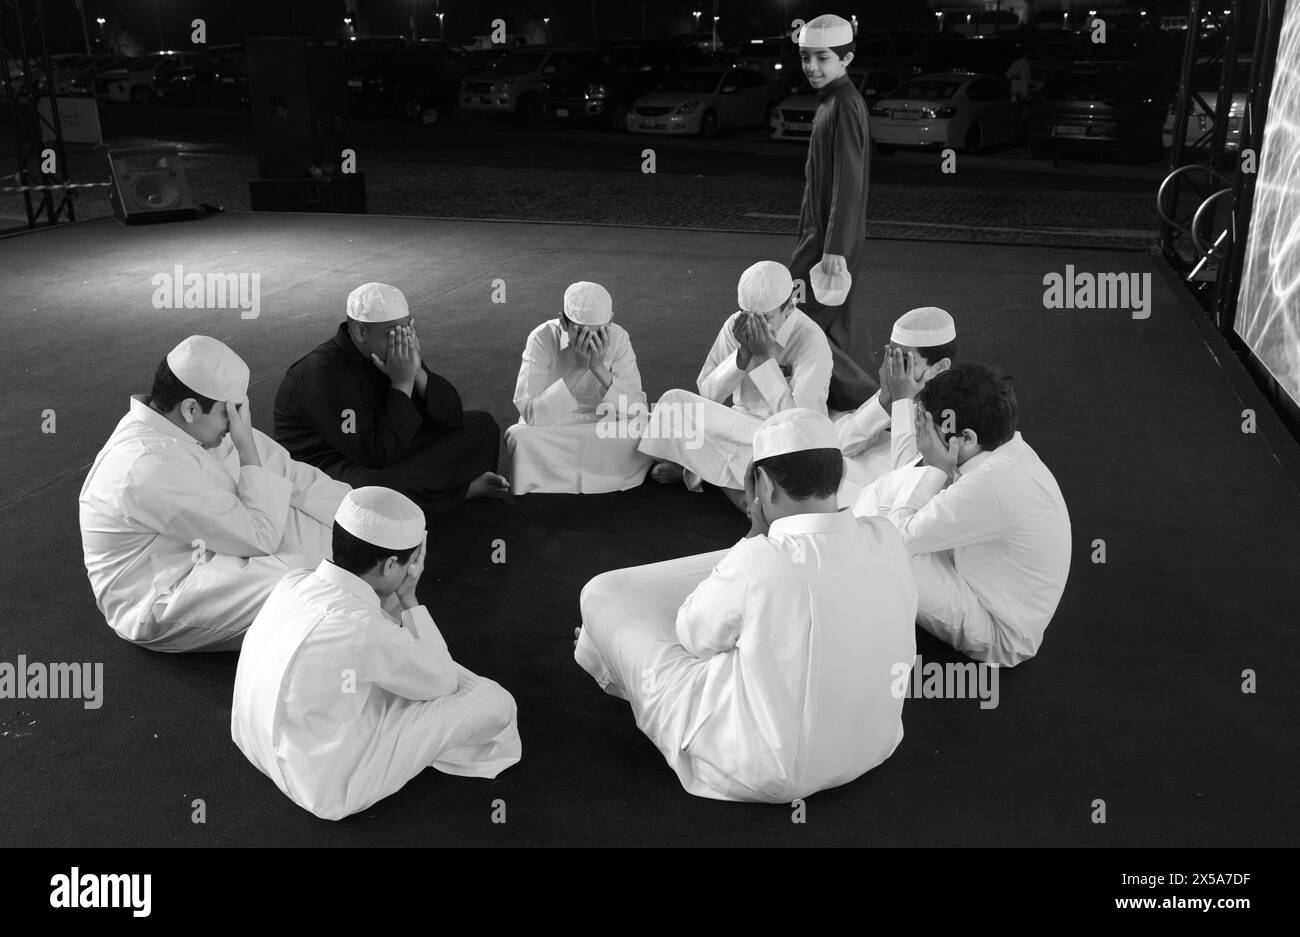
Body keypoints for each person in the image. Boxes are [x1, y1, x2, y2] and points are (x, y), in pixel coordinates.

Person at [576, 409, 917, 803]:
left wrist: (756, 534)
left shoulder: (760, 558)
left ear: (765, 485)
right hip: (876, 744)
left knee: (601, 592)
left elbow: (693, 636)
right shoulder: (886, 535)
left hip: (768, 771)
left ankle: (603, 655)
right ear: (838, 476)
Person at [231, 487, 521, 820]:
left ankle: (416, 665)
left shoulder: (293, 581)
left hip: (253, 742)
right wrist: (410, 596)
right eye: (411, 562)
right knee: (495, 701)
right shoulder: (365, 630)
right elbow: (442, 683)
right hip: (325, 786)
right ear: (391, 565)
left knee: (402, 664)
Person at [79, 336, 349, 653]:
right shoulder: (146, 467)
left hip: (211, 539)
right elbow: (260, 538)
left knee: (337, 538)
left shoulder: (194, 426)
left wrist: (360, 515)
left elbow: (291, 476)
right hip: (165, 585)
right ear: (191, 408)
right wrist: (246, 445)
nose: (237, 422)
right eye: (231, 411)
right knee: (312, 584)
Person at [853, 364, 1072, 667]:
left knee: (880, 547)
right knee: (889, 495)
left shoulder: (988, 484)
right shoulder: (1005, 447)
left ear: (967, 438)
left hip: (1000, 631)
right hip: (980, 570)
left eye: (927, 428)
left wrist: (936, 467)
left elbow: (894, 540)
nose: (922, 435)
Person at [273, 282, 508, 519]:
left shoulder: (394, 348)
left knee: (481, 425)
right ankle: (462, 491)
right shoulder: (322, 373)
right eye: (394, 332)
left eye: (408, 329)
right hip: (334, 465)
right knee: (377, 490)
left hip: (389, 443)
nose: (403, 339)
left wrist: (418, 374)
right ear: (360, 332)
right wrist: (402, 383)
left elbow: (452, 417)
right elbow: (376, 453)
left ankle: (431, 494)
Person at [639, 260, 831, 513]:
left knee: (773, 460)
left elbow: (800, 425)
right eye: (748, 316)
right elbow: (707, 393)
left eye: (764, 318)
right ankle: (712, 474)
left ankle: (699, 471)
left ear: (790, 307)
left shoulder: (811, 340)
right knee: (675, 402)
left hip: (784, 438)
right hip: (739, 422)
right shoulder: (735, 325)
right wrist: (741, 356)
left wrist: (763, 360)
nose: (754, 325)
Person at [790, 13, 877, 412]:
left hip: (828, 243)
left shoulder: (845, 103)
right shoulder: (834, 101)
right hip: (822, 236)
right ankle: (834, 406)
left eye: (822, 58)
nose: (811, 66)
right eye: (806, 57)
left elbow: (850, 179)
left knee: (794, 320)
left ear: (847, 59)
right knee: (828, 325)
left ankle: (881, 404)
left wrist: (834, 249)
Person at [505, 281, 653, 494]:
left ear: (610, 321)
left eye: (600, 332)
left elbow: (636, 409)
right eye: (582, 333)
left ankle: (559, 474)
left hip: (605, 423)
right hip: (555, 427)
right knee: (520, 437)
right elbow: (533, 416)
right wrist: (579, 368)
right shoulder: (541, 337)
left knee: (646, 427)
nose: (591, 341)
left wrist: (599, 369)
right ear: (563, 323)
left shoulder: (619, 337)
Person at [835, 306, 956, 506]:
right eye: (892, 357)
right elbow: (838, 445)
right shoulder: (898, 387)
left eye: (905, 361)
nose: (894, 370)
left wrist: (902, 401)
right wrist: (885, 401)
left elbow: (908, 483)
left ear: (941, 367)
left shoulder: (953, 410)